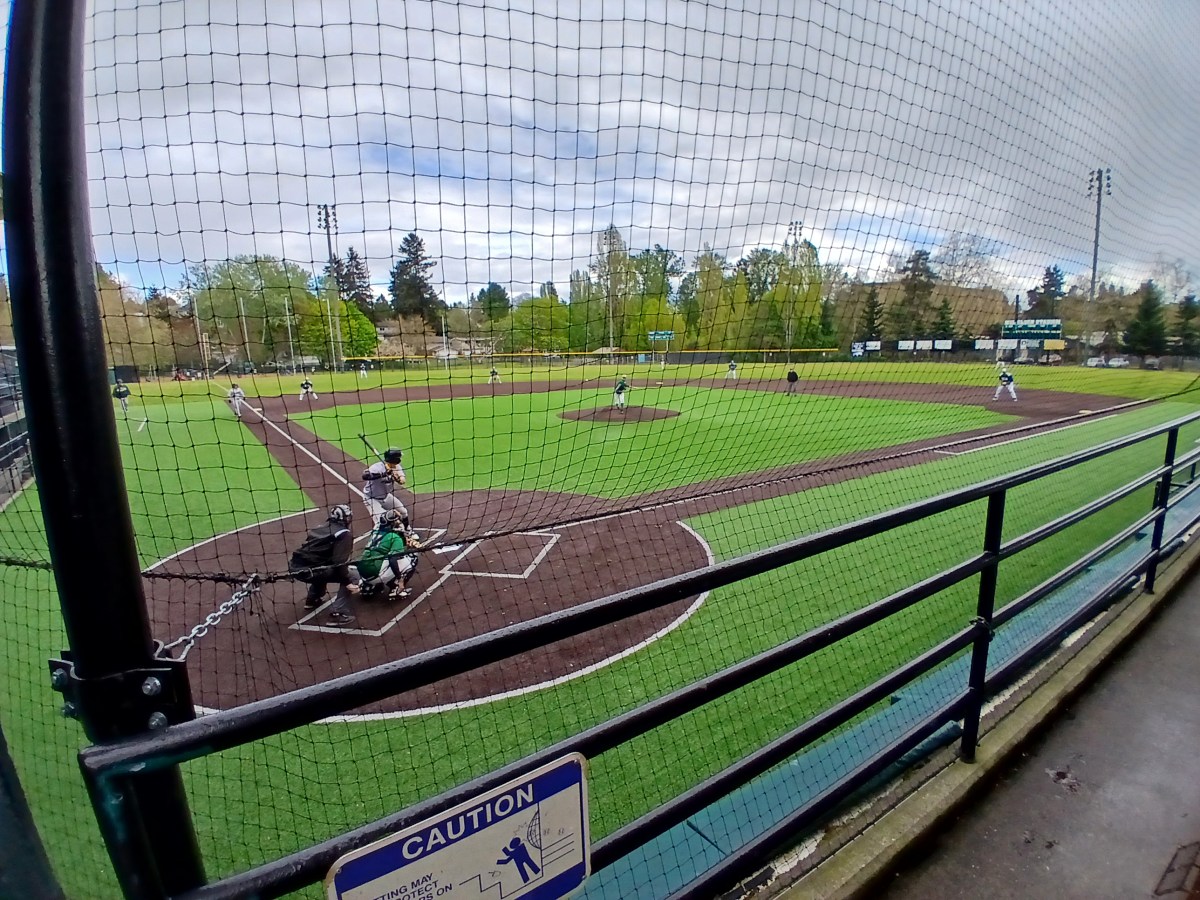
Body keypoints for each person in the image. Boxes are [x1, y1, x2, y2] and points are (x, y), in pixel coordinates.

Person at [288, 504, 362, 626]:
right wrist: (348, 582)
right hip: (311, 571)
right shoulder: (344, 534)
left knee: (323, 566)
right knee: (353, 574)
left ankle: (312, 599)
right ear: (347, 519)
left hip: (295, 568)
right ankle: (337, 613)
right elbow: (339, 562)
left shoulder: (319, 528)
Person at [356, 509, 422, 600]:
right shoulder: (395, 537)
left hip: (362, 572)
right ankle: (396, 588)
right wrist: (400, 579)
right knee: (413, 557)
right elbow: (393, 559)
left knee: (375, 556)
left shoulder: (375, 533)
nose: (399, 522)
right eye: (396, 521)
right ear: (392, 523)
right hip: (377, 574)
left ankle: (367, 587)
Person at [362, 446, 410, 528]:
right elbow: (365, 476)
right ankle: (376, 539)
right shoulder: (377, 467)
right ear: (395, 459)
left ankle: (408, 531)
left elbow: (402, 480)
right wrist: (384, 474)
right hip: (372, 499)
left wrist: (397, 478)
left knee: (403, 512)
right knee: (381, 522)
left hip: (386, 496)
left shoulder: (396, 467)